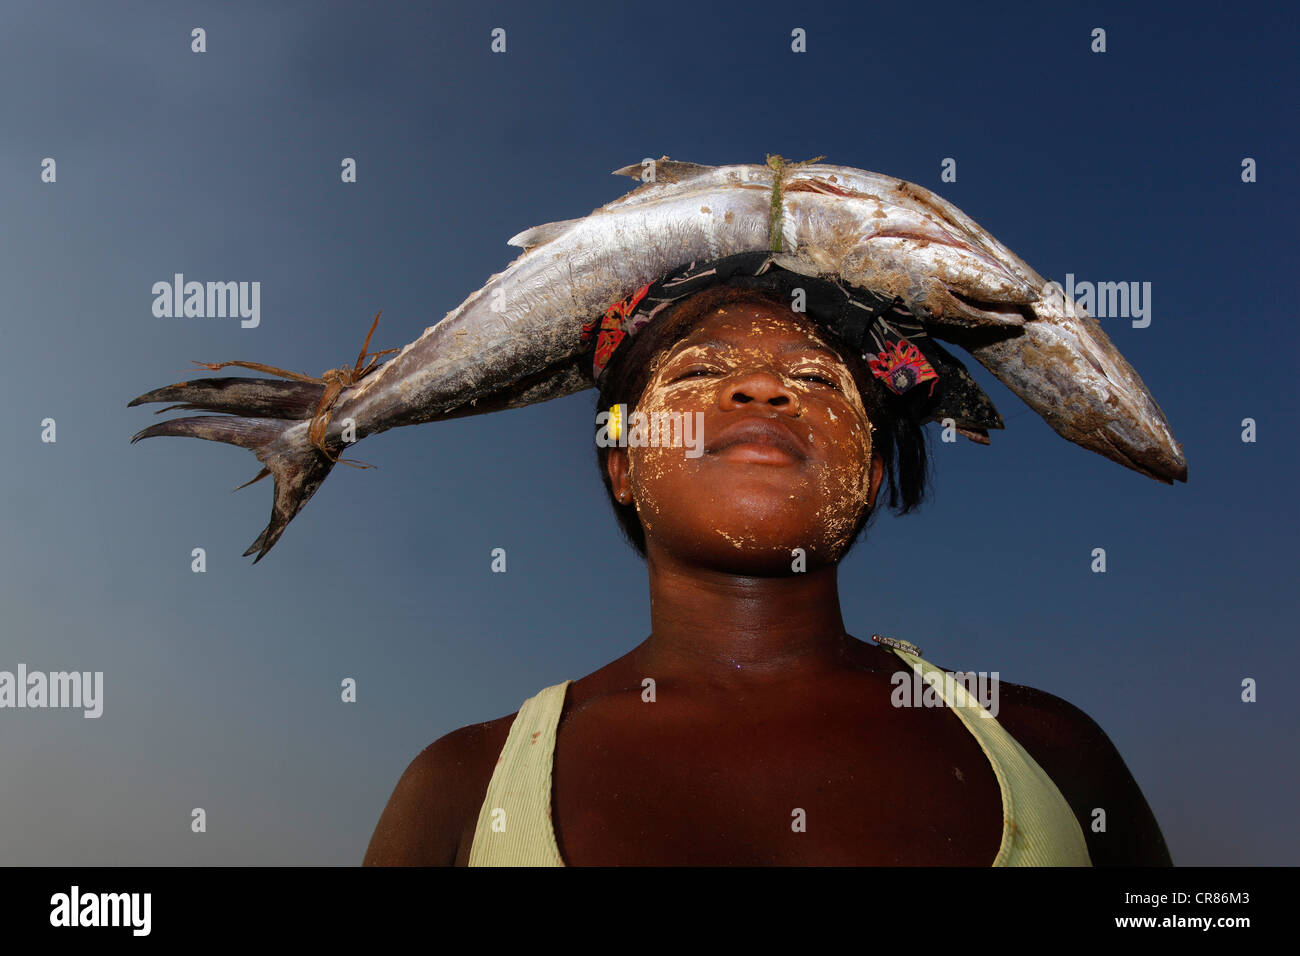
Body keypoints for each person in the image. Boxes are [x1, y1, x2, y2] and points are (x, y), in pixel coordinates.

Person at [362, 254, 1172, 867]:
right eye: (701, 372)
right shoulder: (462, 788)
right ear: (623, 463)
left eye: (816, 378)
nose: (760, 388)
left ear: (871, 470)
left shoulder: (1051, 747)